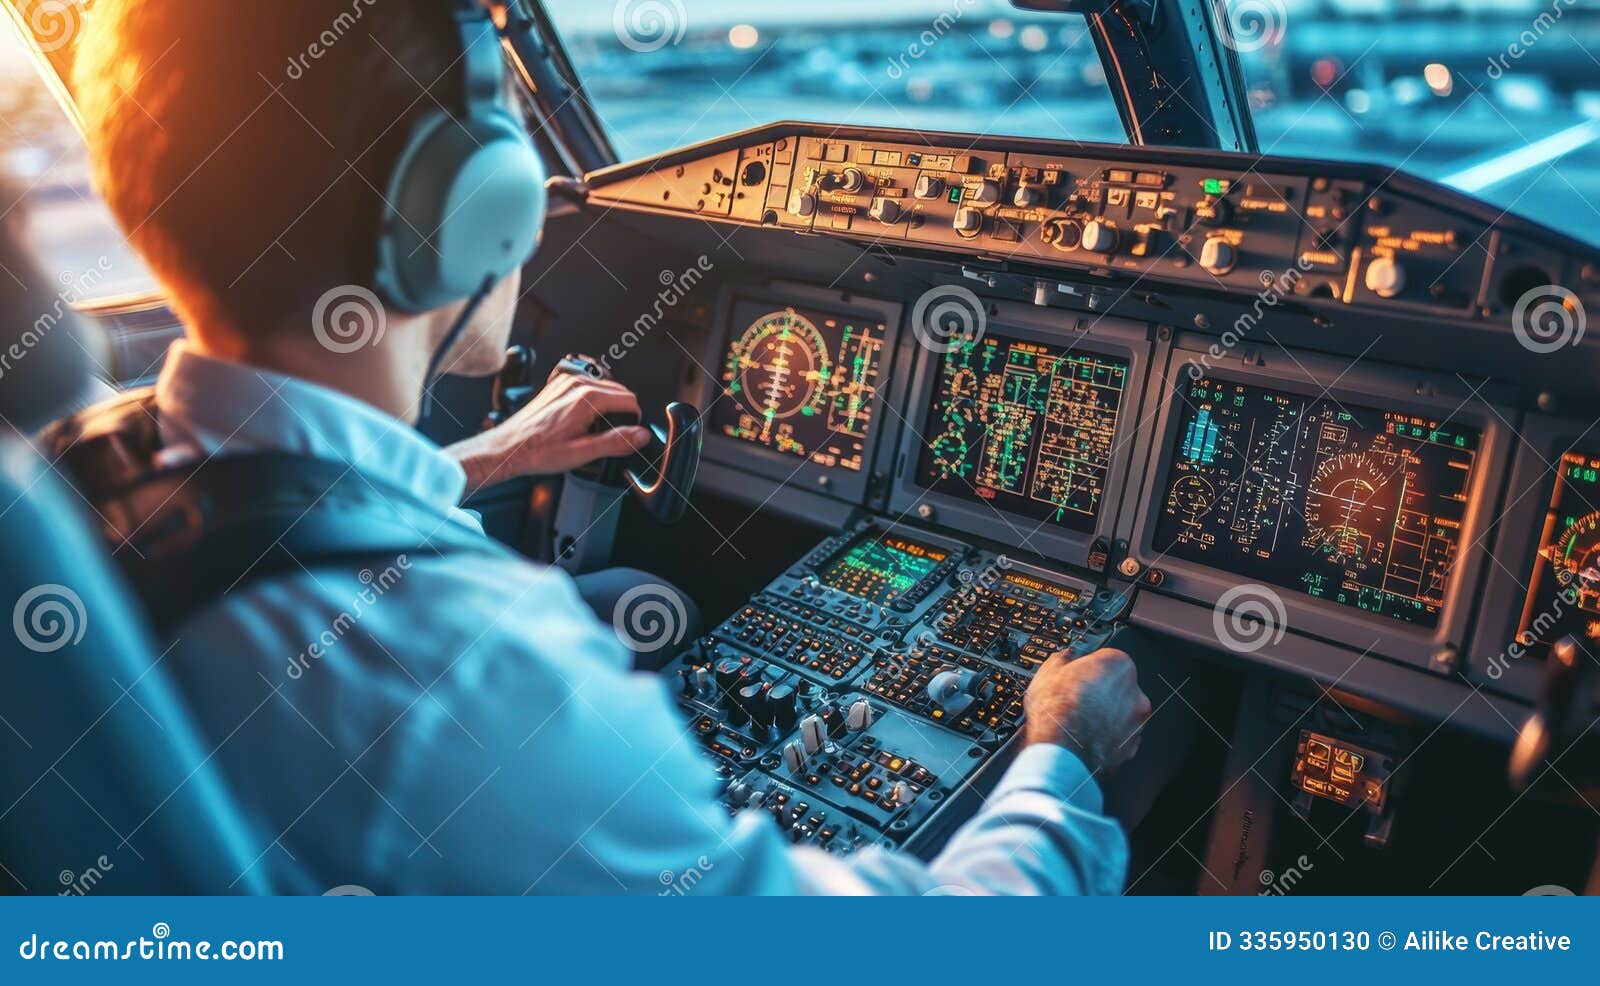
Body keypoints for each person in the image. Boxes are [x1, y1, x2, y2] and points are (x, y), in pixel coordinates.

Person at [52, 0, 1153, 894]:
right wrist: (1058, 757)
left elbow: (268, 513)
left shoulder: (75, 473)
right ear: (468, 208)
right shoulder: (470, 669)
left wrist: (490, 456)